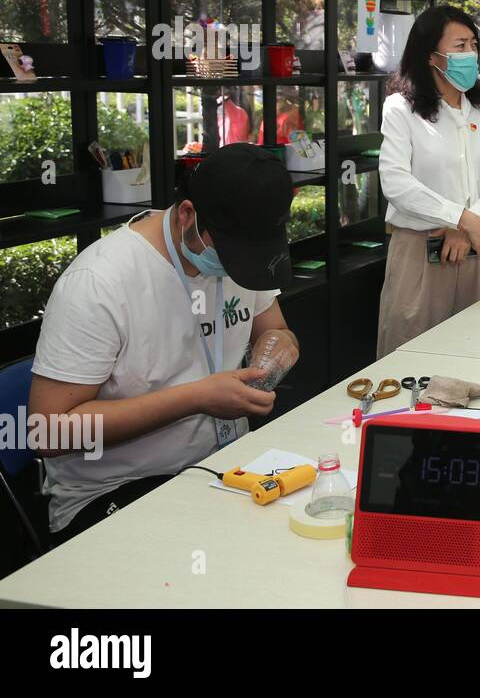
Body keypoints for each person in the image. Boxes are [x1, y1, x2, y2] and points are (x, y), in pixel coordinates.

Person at [26, 143, 299, 544]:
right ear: (188, 214)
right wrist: (196, 398)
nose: (233, 270)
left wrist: (271, 361)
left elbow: (278, 332)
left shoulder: (240, 252)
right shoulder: (101, 282)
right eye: (230, 254)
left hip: (224, 469)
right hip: (116, 491)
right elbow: (47, 432)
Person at [376, 5, 480, 357]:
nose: (469, 54)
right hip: (421, 255)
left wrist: (468, 226)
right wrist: (462, 218)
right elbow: (396, 183)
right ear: (430, 56)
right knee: (411, 360)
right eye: (459, 46)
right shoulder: (400, 109)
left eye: (473, 45)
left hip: (478, 251)